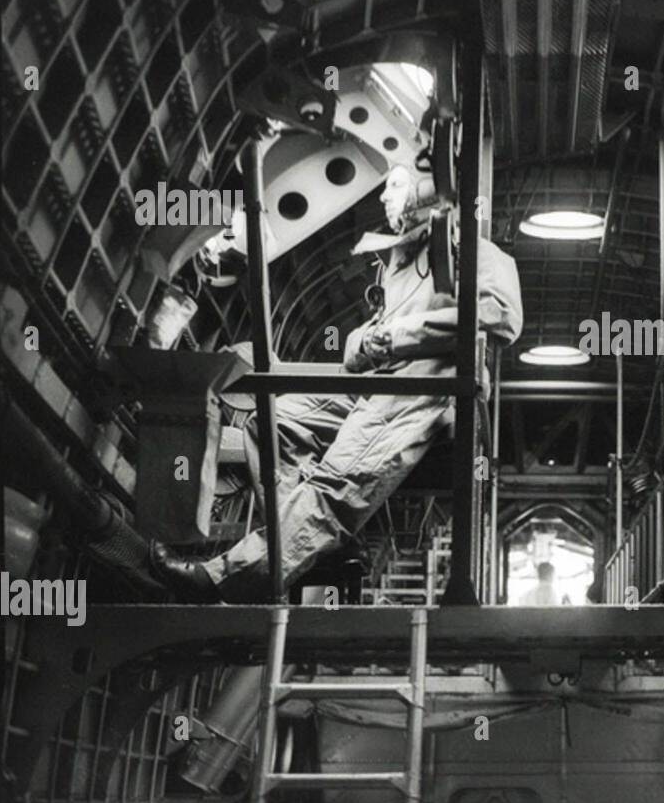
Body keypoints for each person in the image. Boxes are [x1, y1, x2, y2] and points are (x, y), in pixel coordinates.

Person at [151, 163, 523, 602]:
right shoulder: (397, 263)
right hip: (378, 383)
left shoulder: (475, 253)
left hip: (431, 385)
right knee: (269, 420)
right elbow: (360, 348)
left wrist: (391, 338)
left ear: (427, 191)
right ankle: (325, 547)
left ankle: (222, 580)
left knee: (335, 484)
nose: (384, 197)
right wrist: (365, 340)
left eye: (396, 186)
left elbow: (499, 316)